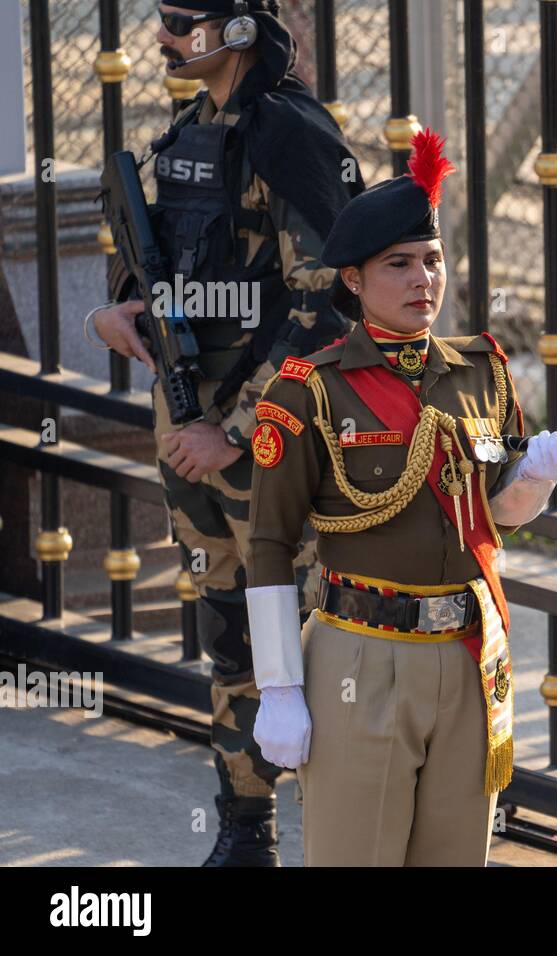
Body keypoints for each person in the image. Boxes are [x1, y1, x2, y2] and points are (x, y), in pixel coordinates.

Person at [244, 128, 557, 866]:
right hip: (361, 659)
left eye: (432, 261)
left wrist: (536, 476)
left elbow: (494, 511)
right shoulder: (310, 391)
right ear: (353, 280)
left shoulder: (480, 371)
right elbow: (271, 544)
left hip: (468, 658)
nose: (423, 281)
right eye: (399, 265)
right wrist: (277, 685)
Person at [86, 1, 364, 865]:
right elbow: (171, 258)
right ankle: (246, 833)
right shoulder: (192, 129)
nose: (161, 34)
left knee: (315, 642)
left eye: (180, 18)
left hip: (267, 442)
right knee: (231, 634)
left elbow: (329, 303)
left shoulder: (290, 134)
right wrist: (118, 309)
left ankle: (349, 836)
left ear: (236, 29)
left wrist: (236, 432)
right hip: (190, 424)